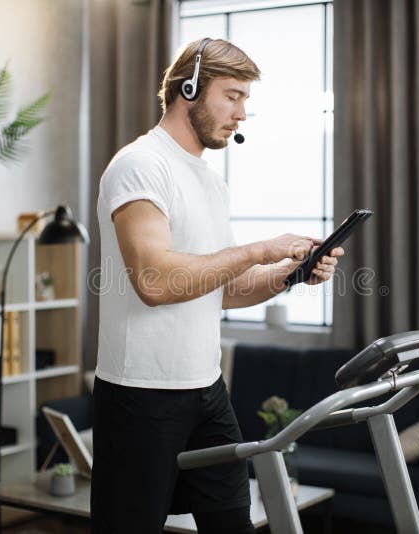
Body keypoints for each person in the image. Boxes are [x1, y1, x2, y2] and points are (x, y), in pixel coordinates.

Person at [91, 37, 344, 534]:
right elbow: (155, 282)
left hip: (205, 388)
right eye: (232, 95)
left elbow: (225, 289)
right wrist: (259, 250)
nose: (242, 113)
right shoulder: (140, 165)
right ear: (190, 88)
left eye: (245, 99)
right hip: (140, 394)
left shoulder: (210, 182)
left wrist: (292, 272)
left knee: (232, 522)